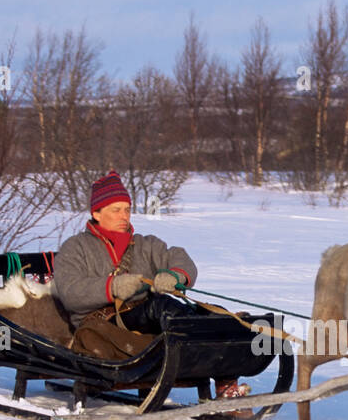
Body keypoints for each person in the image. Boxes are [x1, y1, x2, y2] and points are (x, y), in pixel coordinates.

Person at [52, 170, 249, 398]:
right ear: (96, 213)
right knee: (161, 306)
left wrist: (176, 276)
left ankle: (227, 383)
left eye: (127, 209)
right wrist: (112, 287)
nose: (124, 216)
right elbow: (70, 292)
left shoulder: (146, 245)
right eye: (116, 210)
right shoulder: (75, 248)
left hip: (147, 315)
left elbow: (179, 257)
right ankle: (204, 347)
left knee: (213, 314)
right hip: (101, 323)